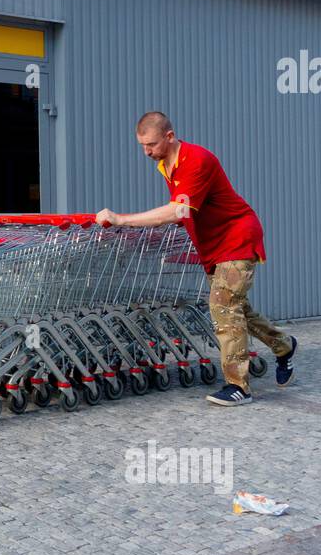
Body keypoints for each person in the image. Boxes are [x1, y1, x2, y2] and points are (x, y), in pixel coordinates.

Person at [95, 112, 297, 406]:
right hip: (214, 245)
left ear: (169, 136)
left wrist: (122, 220)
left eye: (150, 144)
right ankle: (285, 346)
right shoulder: (167, 166)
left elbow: (178, 210)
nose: (146, 152)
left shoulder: (196, 161)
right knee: (236, 307)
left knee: (223, 306)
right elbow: (186, 211)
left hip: (237, 237)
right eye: (141, 146)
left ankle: (237, 385)